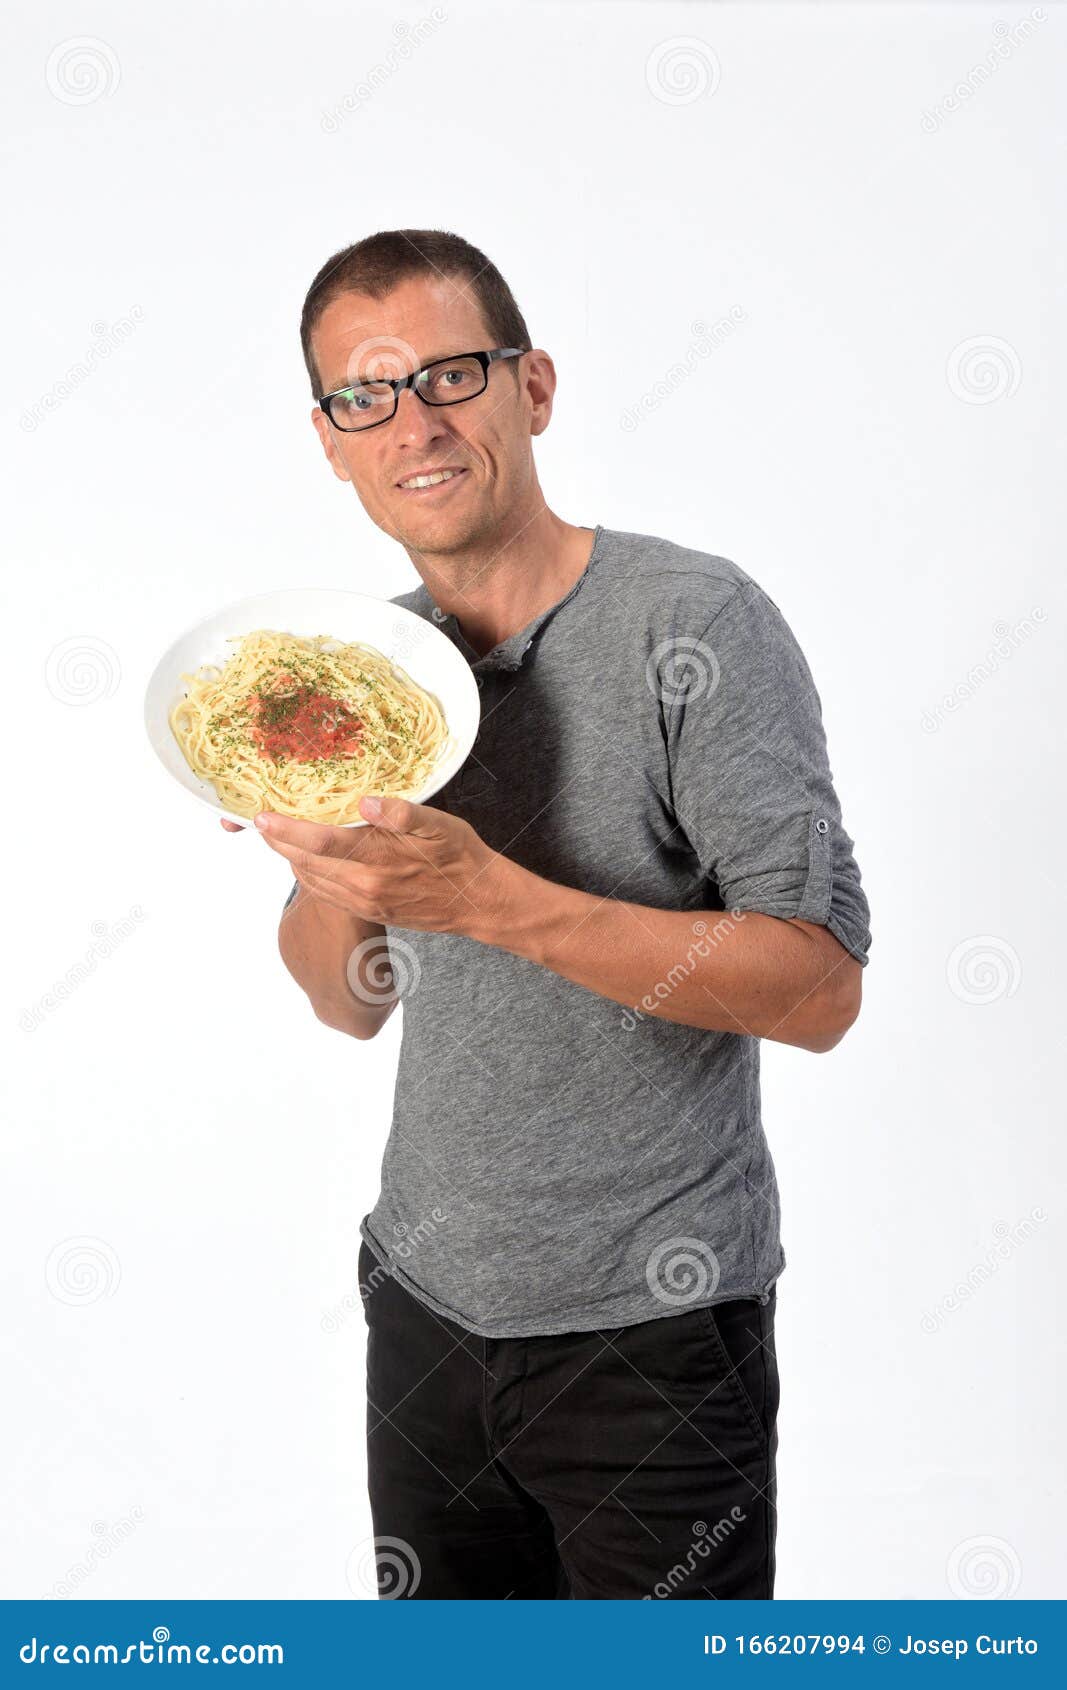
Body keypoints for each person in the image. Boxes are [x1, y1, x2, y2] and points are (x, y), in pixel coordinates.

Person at [224, 229, 872, 1600]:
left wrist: (499, 902)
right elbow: (346, 1003)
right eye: (365, 397)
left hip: (657, 1334)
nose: (413, 423)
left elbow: (818, 988)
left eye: (451, 375)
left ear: (536, 388)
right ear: (331, 444)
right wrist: (336, 867)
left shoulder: (695, 621)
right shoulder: (375, 670)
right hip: (423, 1310)